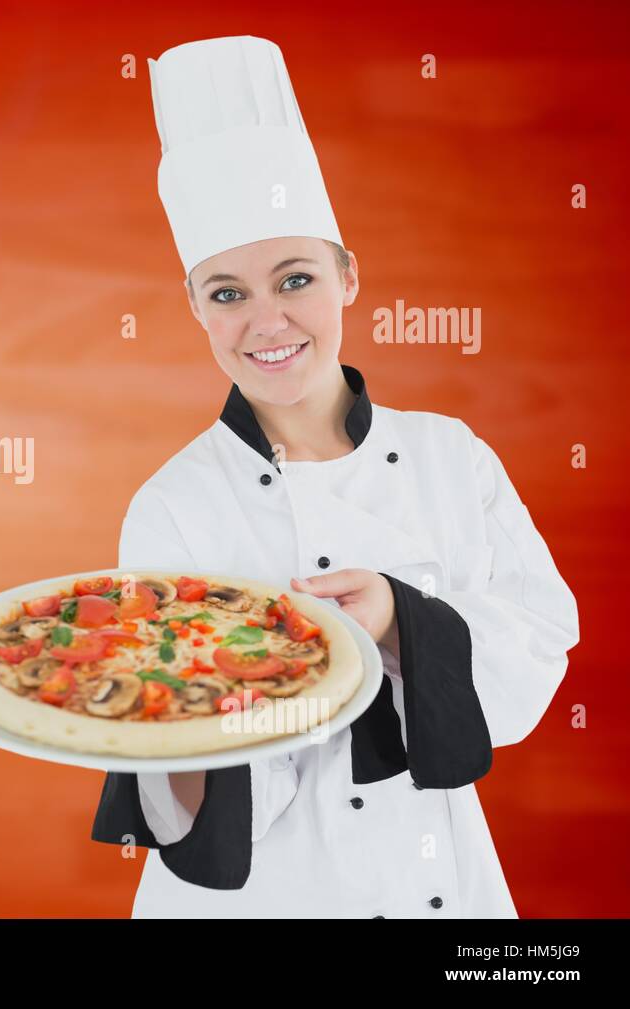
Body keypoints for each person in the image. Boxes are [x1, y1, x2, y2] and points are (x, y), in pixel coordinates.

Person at [89, 35, 580, 918]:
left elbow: (540, 646)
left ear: (350, 277)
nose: (266, 320)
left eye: (296, 278)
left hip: (442, 888)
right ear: (194, 306)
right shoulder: (174, 507)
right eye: (228, 292)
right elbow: (170, 781)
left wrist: (399, 619)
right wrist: (197, 699)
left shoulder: (448, 456)